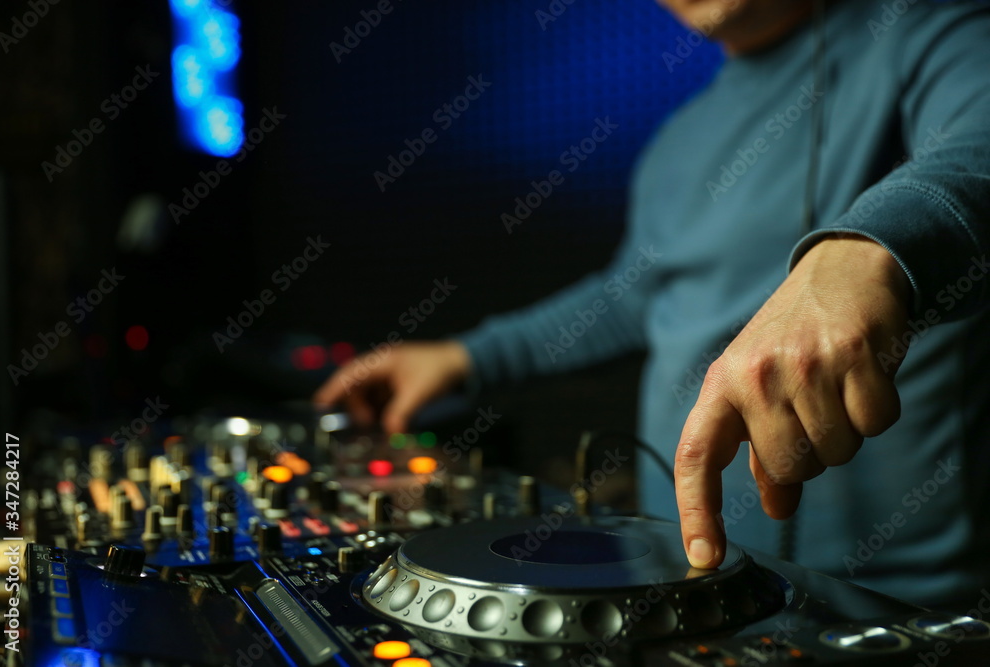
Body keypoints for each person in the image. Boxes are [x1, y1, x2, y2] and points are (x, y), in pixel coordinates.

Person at [316, 0, 990, 609]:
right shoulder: (679, 139)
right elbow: (632, 296)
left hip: (892, 610)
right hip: (691, 593)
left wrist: (857, 254)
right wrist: (465, 357)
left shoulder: (933, 29)